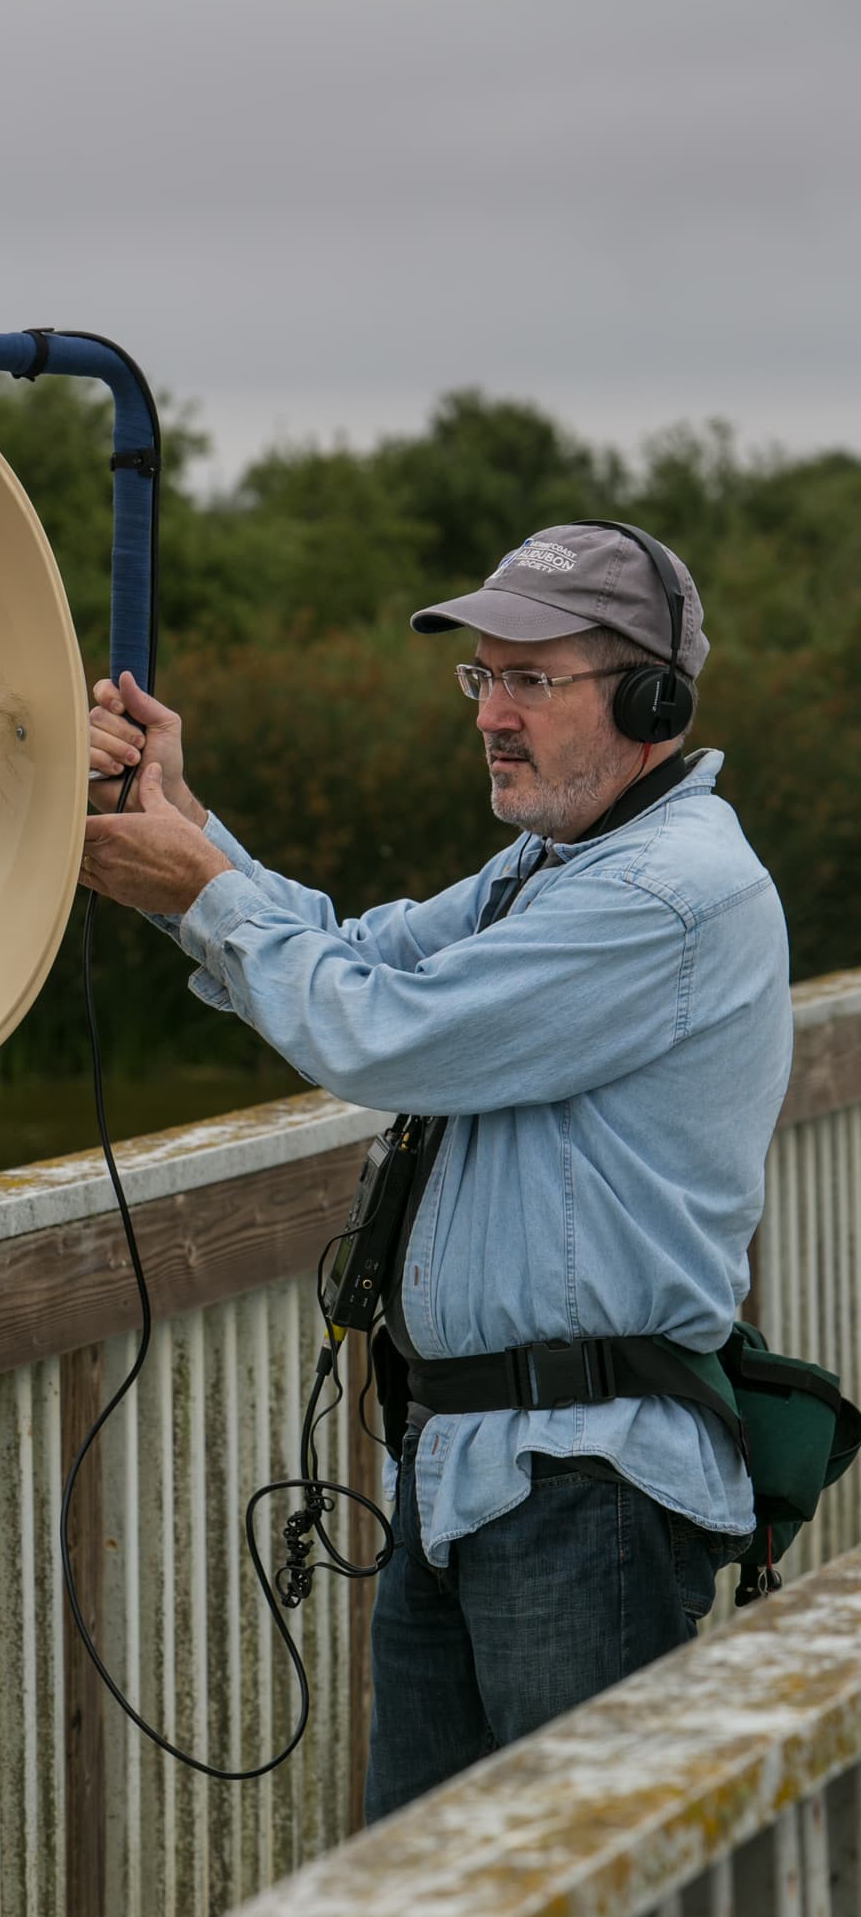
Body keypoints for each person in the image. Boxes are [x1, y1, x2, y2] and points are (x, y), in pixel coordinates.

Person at [80, 521, 792, 1819]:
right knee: (433, 1879)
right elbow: (364, 956)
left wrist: (192, 892)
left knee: (573, 1877)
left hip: (588, 1489)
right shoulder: (552, 865)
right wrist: (180, 829)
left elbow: (382, 1032)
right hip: (472, 1471)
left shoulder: (667, 891)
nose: (493, 715)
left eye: (534, 678)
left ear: (651, 699)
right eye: (484, 678)